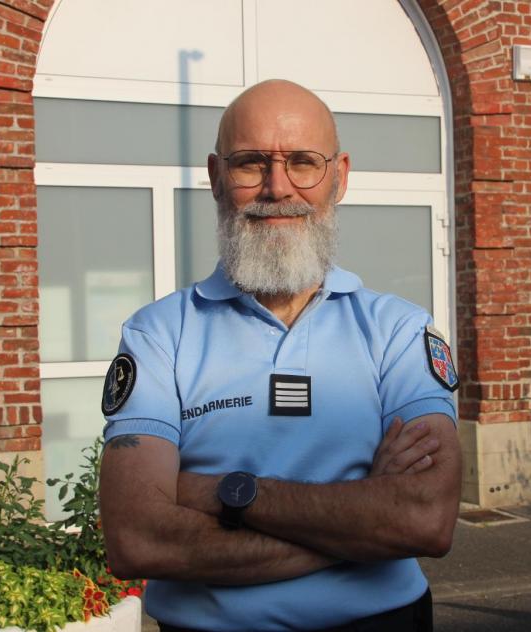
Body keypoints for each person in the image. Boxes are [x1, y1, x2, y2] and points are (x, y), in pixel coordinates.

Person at [98, 79, 461, 632]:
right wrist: (362, 527)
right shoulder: (158, 335)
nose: (277, 187)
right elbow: (138, 538)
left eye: (303, 162)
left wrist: (218, 493)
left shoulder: (400, 332)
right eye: (250, 164)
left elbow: (424, 519)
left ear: (339, 176)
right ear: (217, 178)